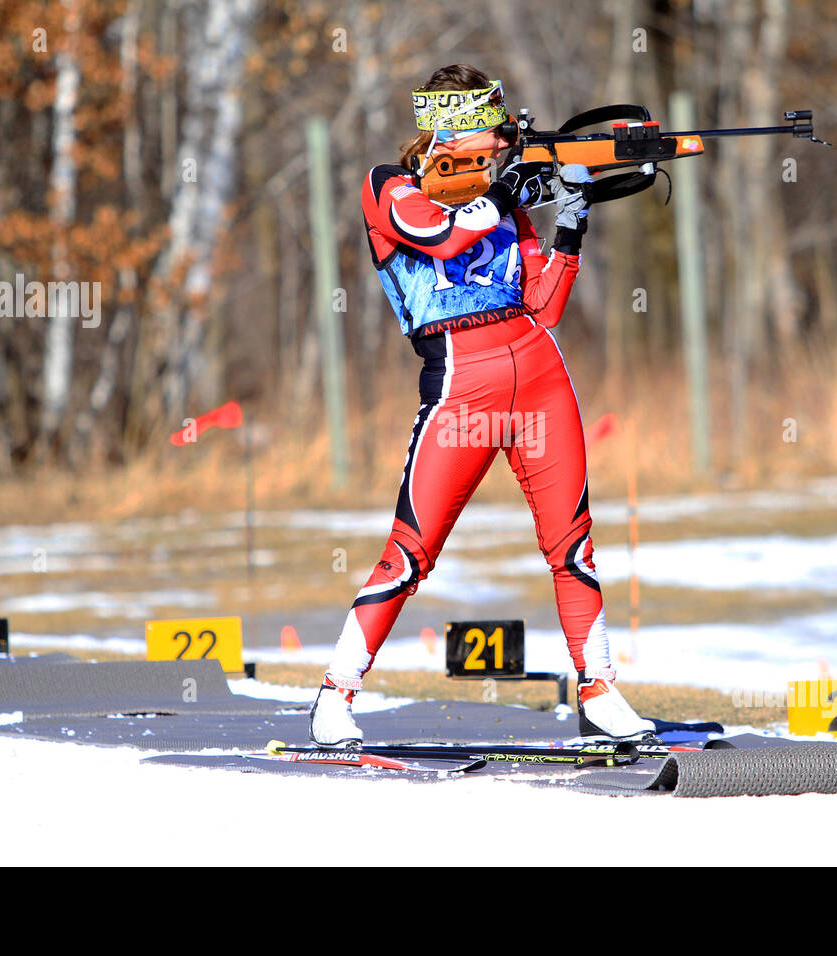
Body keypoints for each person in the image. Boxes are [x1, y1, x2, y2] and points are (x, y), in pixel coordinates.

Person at [310, 64, 654, 746]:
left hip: (539, 373)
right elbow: (442, 238)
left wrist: (573, 217)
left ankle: (599, 688)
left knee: (573, 546)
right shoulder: (390, 186)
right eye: (492, 133)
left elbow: (545, 306)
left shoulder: (506, 203)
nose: (502, 145)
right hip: (459, 383)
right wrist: (503, 193)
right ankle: (334, 696)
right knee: (411, 552)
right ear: (453, 132)